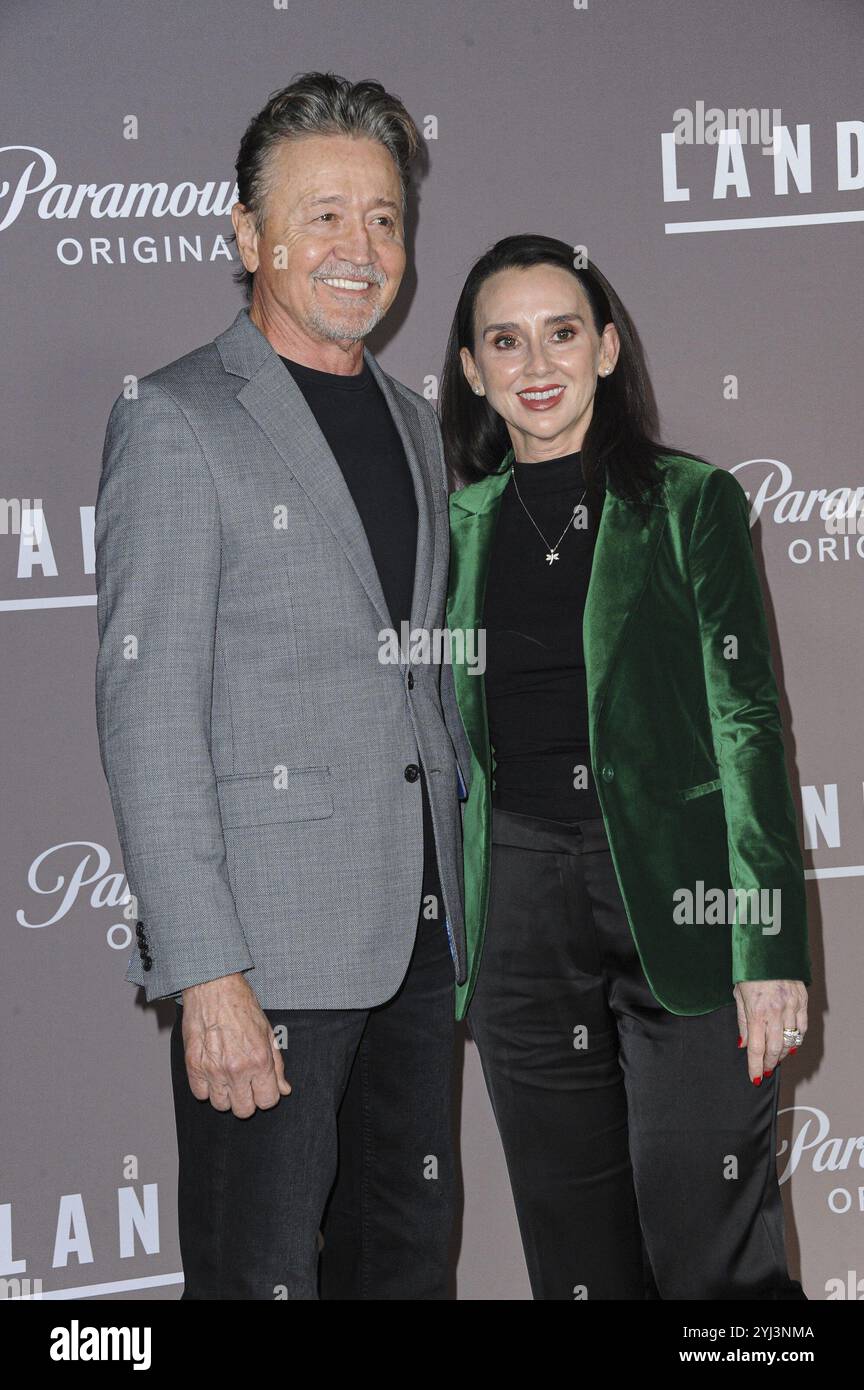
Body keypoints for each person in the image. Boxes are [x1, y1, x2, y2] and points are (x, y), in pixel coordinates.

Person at [94, 72, 471, 1300]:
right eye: (321, 216)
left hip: (420, 933)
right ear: (248, 234)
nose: (358, 249)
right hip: (269, 957)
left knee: (405, 1264)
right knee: (259, 1278)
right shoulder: (179, 418)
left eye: (381, 218)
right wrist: (207, 971)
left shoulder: (419, 424)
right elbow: (147, 710)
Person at [440, 234, 811, 1300]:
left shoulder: (692, 501)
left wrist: (769, 945)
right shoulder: (455, 528)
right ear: (471, 370)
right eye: (503, 340)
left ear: (606, 347)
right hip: (518, 907)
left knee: (718, 1255)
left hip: (680, 894)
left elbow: (748, 719)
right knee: (580, 1268)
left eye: (561, 331)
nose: (535, 361)